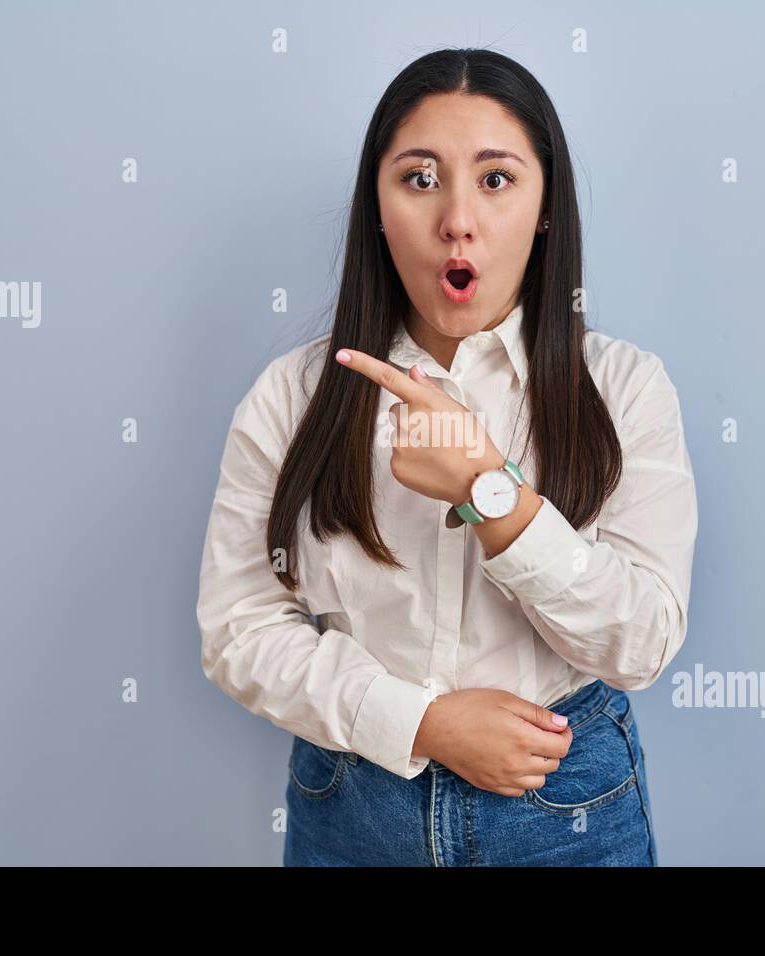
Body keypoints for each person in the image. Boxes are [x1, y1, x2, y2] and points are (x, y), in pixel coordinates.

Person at [196, 47, 698, 866]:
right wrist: (419, 722)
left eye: (496, 179)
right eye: (420, 179)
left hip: (567, 809)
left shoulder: (628, 389)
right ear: (378, 208)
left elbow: (640, 642)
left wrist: (484, 488)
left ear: (544, 207)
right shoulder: (293, 397)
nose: (457, 220)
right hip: (352, 808)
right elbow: (238, 628)